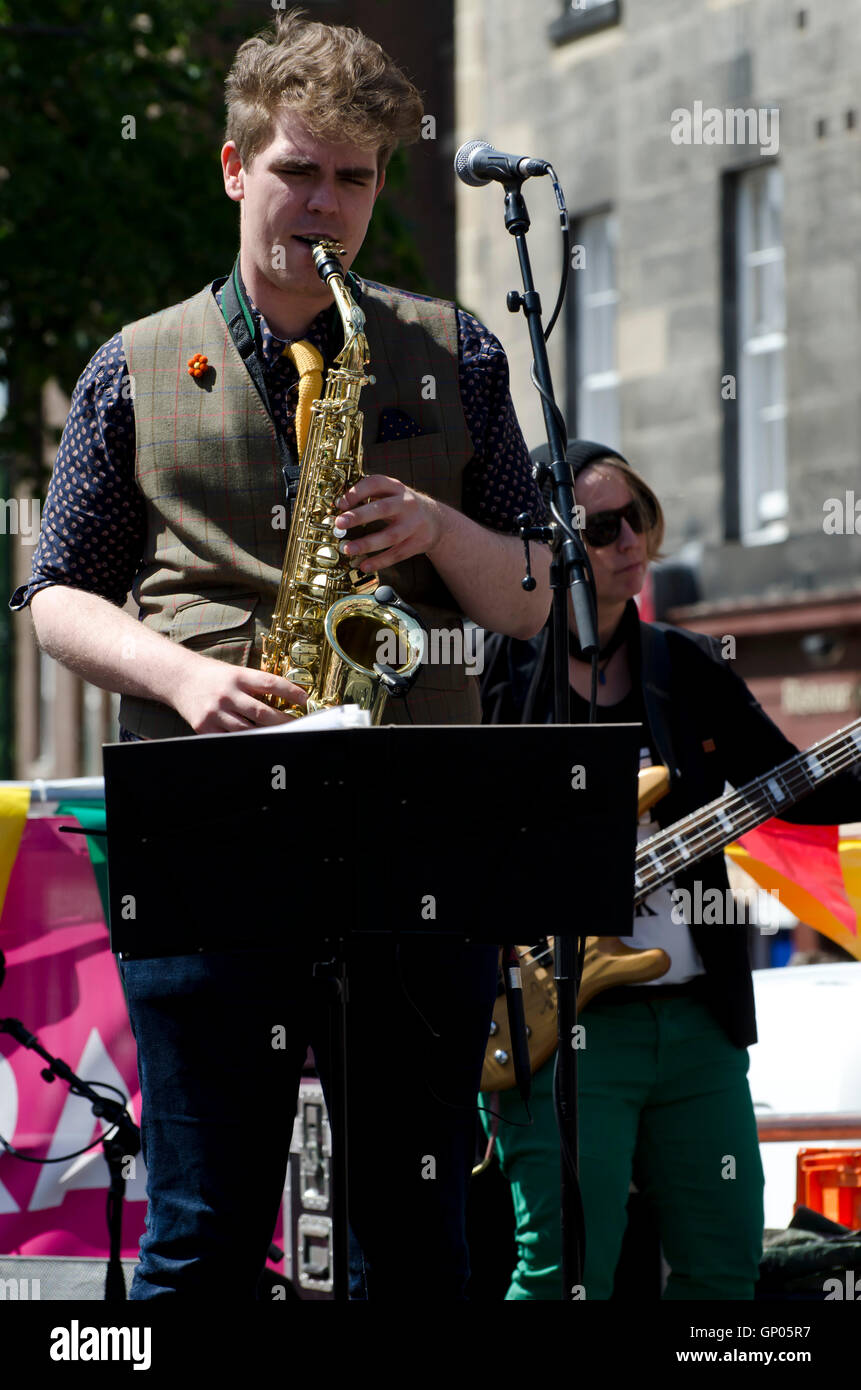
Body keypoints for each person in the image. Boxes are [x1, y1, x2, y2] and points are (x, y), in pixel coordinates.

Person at [10, 10, 550, 1299]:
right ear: (234, 168)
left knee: (417, 1240)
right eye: (300, 170)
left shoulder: (457, 349)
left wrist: (436, 527)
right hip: (210, 832)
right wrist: (185, 676)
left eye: (356, 178)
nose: (328, 204)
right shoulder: (132, 366)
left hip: (409, 837)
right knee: (202, 1235)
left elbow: (533, 591)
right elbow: (52, 596)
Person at [479, 439, 860, 1300]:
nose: (629, 542)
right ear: (551, 549)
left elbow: (796, 788)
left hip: (697, 1021)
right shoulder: (502, 675)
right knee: (565, 1273)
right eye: (603, 527)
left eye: (638, 518)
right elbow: (456, 840)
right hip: (565, 1025)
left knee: (724, 1267)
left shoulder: (682, 665)